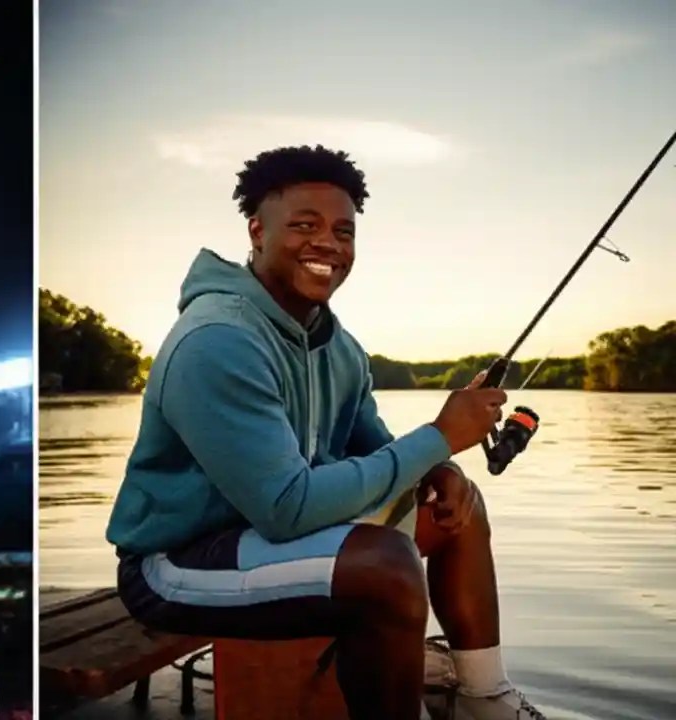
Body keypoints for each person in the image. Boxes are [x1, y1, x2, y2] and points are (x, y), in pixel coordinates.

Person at [105, 145, 546, 720]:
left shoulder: (341, 349)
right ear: (257, 231)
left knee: (456, 505)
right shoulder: (216, 341)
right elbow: (286, 508)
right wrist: (439, 435)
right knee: (384, 567)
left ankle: (486, 699)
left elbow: (380, 451)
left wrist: (441, 467)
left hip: (275, 541)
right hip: (174, 565)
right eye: (304, 226)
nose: (328, 244)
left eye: (344, 231)